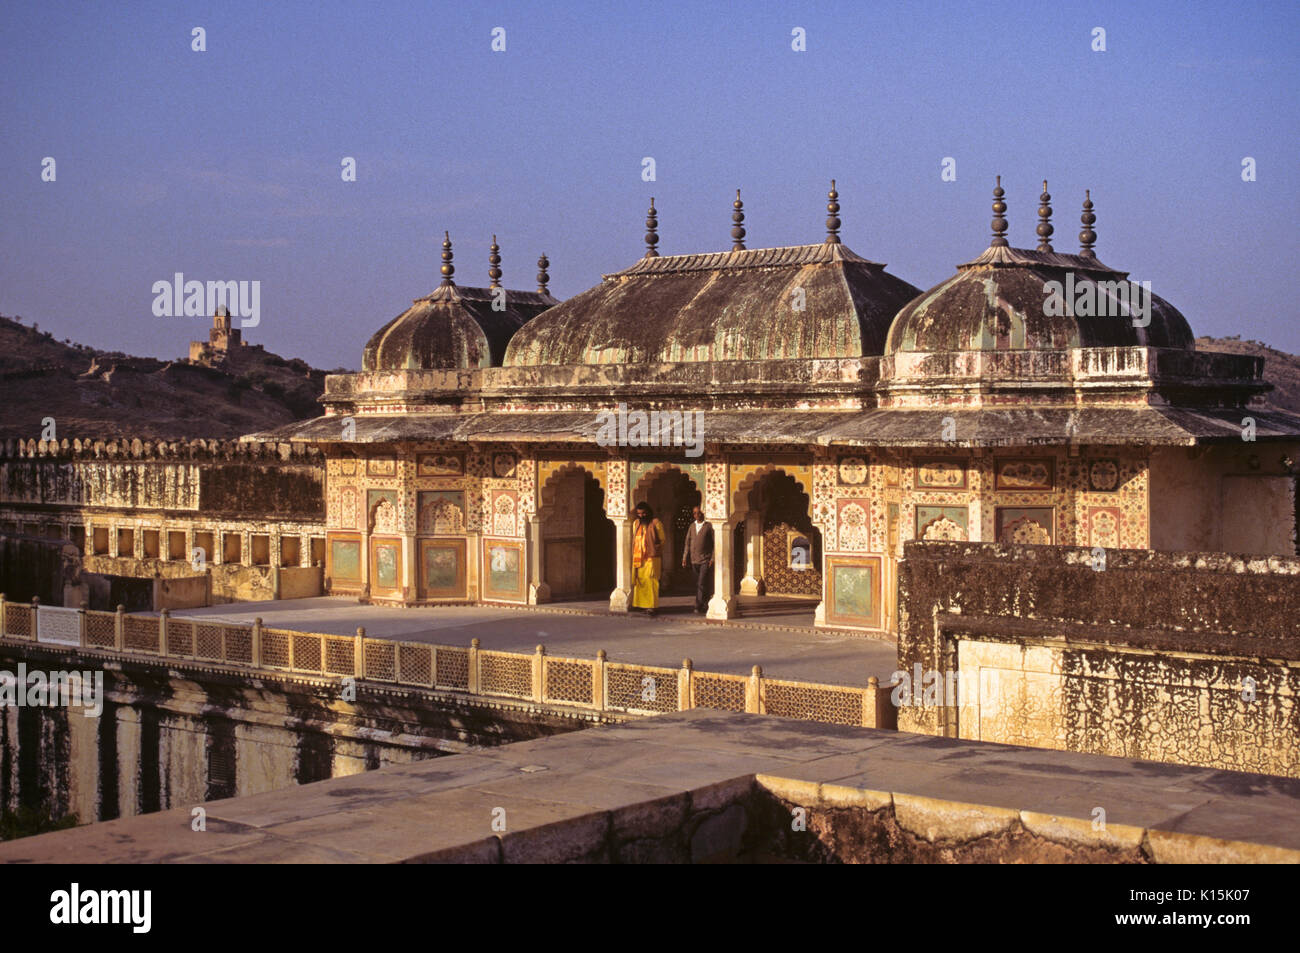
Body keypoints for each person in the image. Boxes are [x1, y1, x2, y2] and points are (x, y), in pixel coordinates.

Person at [631, 502, 666, 616]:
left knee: (651, 581)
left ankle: (652, 606)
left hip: (651, 559)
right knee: (640, 582)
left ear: (648, 512)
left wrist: (655, 549)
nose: (641, 516)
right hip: (639, 558)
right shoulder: (636, 524)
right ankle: (643, 605)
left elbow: (662, 540)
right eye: (639, 514)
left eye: (643, 513)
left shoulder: (656, 523)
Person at [681, 506, 714, 614]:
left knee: (701, 582)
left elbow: (715, 543)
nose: (697, 515)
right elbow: (687, 542)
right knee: (700, 583)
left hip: (705, 559)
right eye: (694, 513)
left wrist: (712, 558)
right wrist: (685, 557)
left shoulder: (708, 526)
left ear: (702, 513)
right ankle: (705, 602)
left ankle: (697, 604)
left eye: (699, 513)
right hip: (694, 560)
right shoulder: (692, 526)